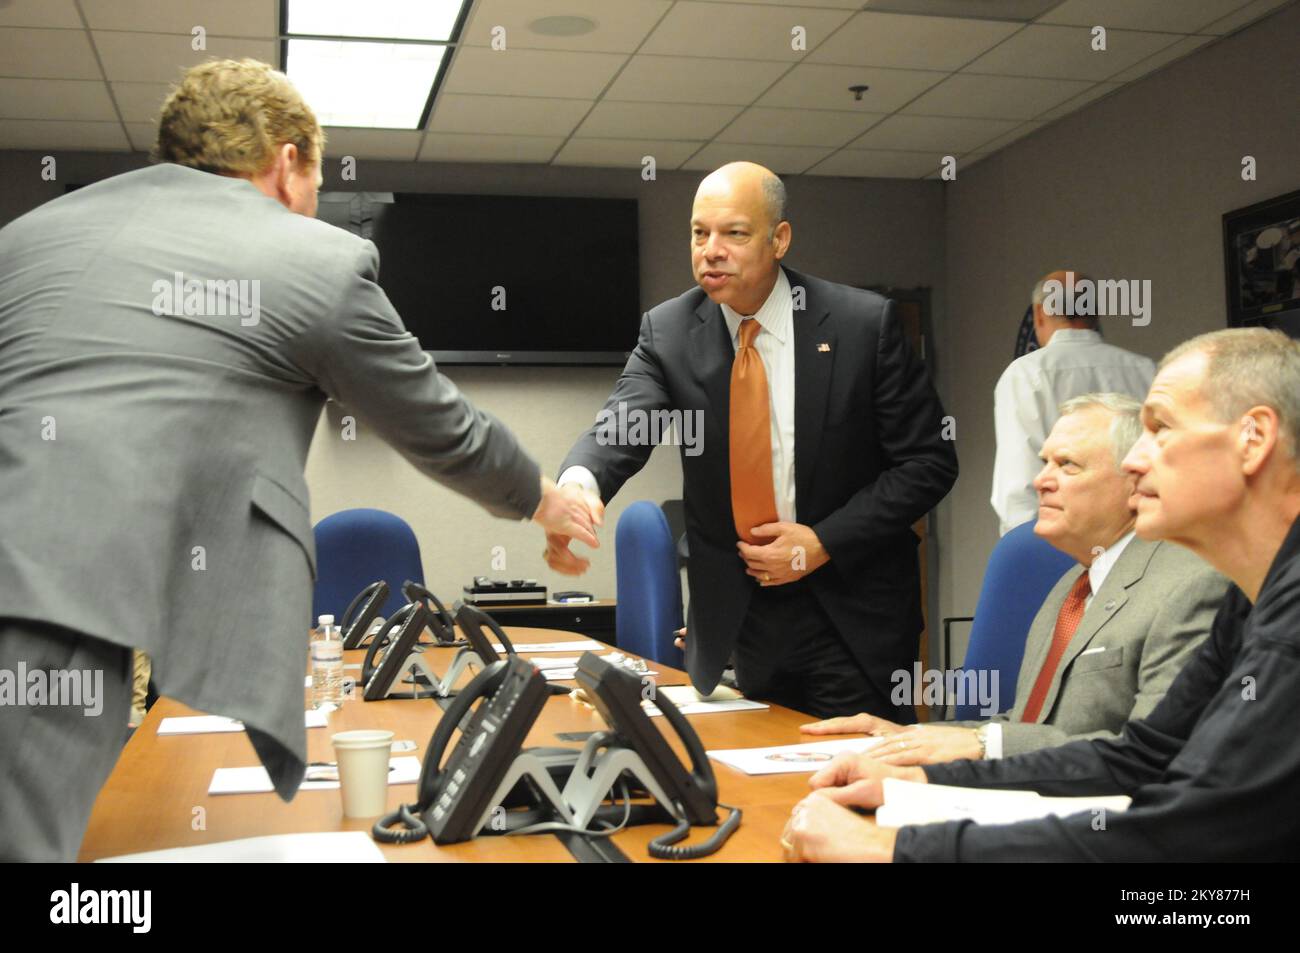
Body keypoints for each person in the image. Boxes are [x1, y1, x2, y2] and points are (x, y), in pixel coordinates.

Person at [0, 59, 596, 862]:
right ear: (286, 164)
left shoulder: (29, 236)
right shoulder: (308, 259)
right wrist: (547, 501)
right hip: (45, 608)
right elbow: (439, 423)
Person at [783, 327, 1300, 862]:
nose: (1134, 460)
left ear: (1253, 439)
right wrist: (918, 779)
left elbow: (1190, 834)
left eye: (1160, 428)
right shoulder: (1249, 597)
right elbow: (1140, 761)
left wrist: (897, 850)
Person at [547, 161, 957, 720]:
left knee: (856, 788)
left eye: (734, 233)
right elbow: (622, 424)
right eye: (699, 233)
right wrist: (577, 486)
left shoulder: (862, 325)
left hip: (853, 614)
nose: (711, 250)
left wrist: (822, 540)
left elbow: (928, 462)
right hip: (748, 620)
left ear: (778, 239)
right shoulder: (668, 332)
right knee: (760, 781)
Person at [803, 392, 1226, 763]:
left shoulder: (1190, 585)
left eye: (1068, 465)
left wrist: (985, 745)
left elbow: (1154, 751)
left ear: (1135, 481)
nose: (1040, 481)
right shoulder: (1071, 586)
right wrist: (906, 737)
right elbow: (1024, 726)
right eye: (1045, 463)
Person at [992, 270, 1155, 535]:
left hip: (1062, 540)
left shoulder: (1025, 374)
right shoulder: (1144, 369)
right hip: (1137, 537)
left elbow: (1018, 484)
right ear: (1094, 313)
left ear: (1039, 314)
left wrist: (1025, 553)